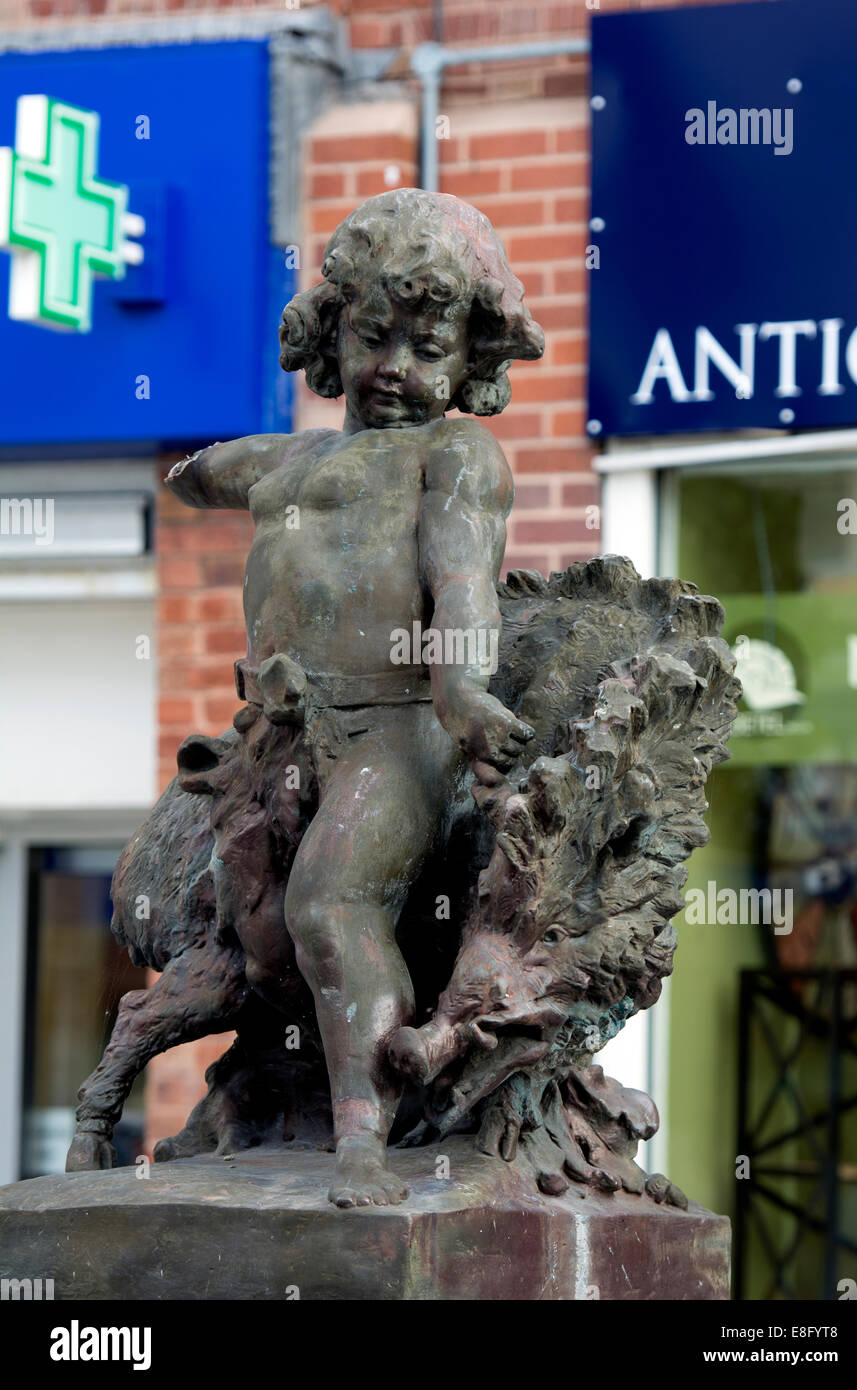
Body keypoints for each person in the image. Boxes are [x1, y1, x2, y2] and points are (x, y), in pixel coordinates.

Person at [165, 188, 544, 1207]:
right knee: (231, 931)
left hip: (398, 724)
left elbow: (463, 581)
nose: (398, 372)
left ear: (472, 359)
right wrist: (189, 471)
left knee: (330, 902)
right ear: (333, 333)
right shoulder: (290, 461)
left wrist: (463, 688)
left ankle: (364, 1139)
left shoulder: (453, 457)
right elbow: (203, 474)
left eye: (430, 349)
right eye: (375, 337)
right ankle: (259, 1098)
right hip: (278, 731)